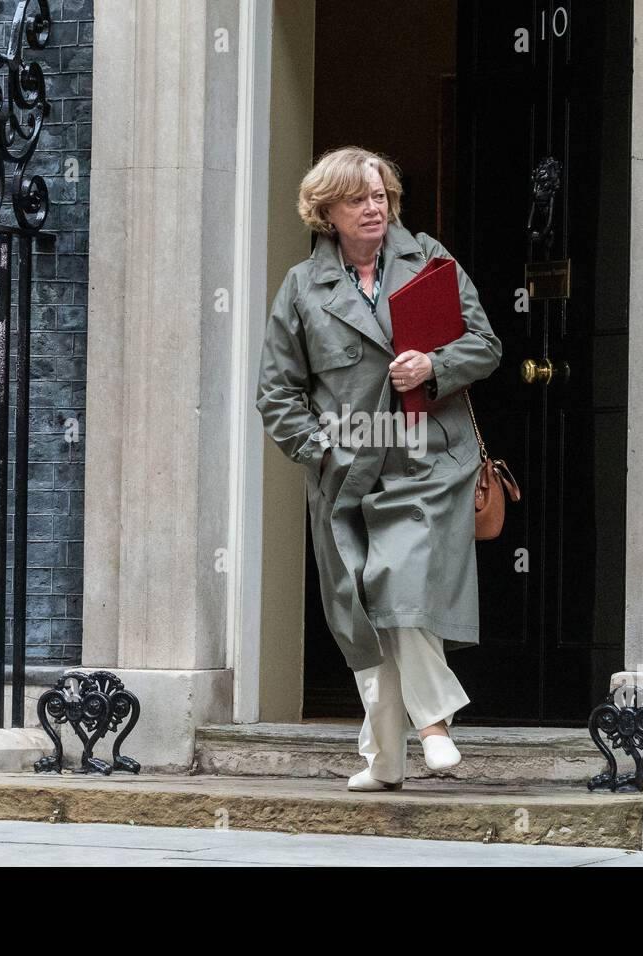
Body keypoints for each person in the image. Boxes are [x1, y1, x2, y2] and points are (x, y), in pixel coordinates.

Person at [255, 146, 502, 790]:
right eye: (358, 198)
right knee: (361, 612)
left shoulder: (431, 261)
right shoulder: (301, 288)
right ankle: (384, 759)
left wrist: (433, 367)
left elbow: (485, 345)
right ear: (327, 210)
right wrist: (319, 448)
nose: (374, 208)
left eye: (382, 195)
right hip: (346, 470)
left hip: (427, 458)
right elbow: (277, 392)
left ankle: (434, 726)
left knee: (397, 585)